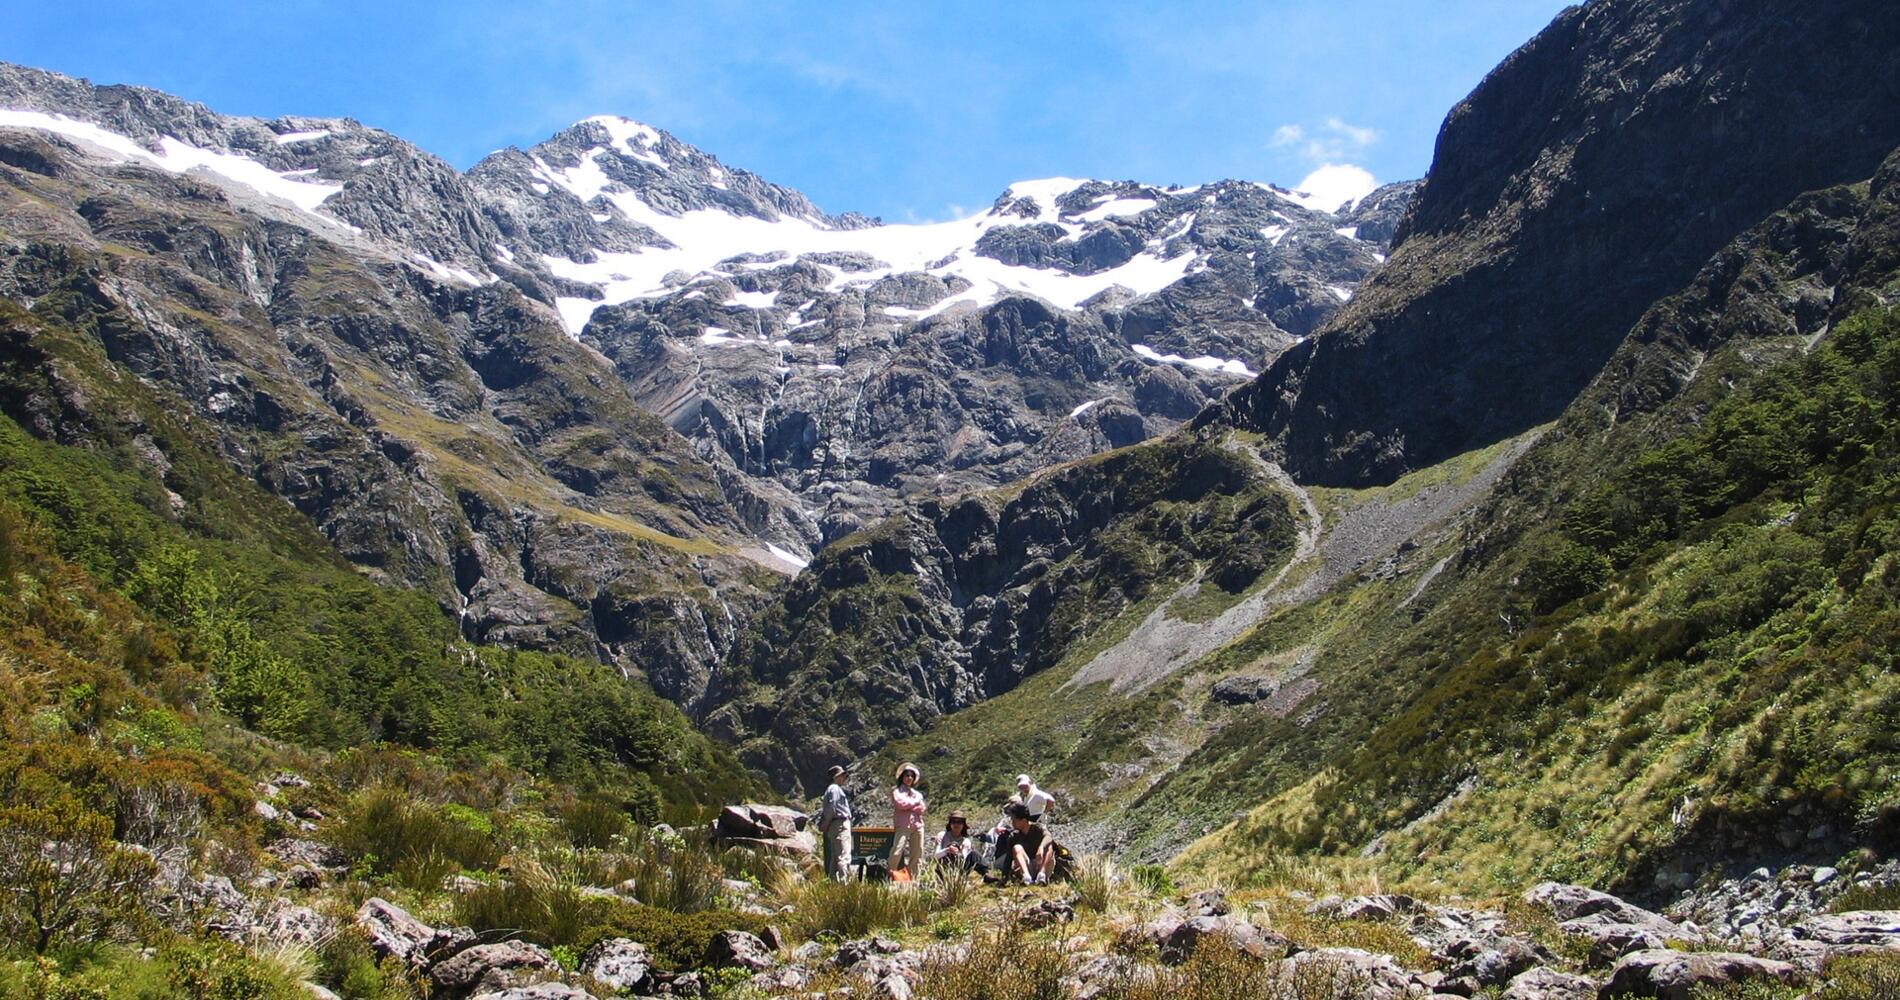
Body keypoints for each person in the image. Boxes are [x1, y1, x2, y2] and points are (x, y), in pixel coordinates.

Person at [995, 802, 1054, 884]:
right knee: (1017, 847)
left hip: (1041, 864)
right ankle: (1026, 877)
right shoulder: (1014, 836)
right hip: (1027, 866)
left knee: (1049, 846)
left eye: (1014, 820)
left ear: (1023, 820)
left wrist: (1041, 848)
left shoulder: (1038, 828)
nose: (1012, 823)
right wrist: (1004, 878)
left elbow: (1049, 837)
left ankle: (1042, 875)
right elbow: (1008, 859)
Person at [888, 762, 926, 877]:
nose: (909, 778)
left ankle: (912, 877)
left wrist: (910, 805)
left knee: (917, 852)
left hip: (918, 825)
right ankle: (891, 873)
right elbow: (900, 804)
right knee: (897, 849)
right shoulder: (897, 792)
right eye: (907, 775)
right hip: (903, 825)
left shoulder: (916, 793)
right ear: (902, 777)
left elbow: (922, 808)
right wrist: (914, 803)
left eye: (911, 776)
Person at [817, 765, 853, 882]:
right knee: (844, 855)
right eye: (843, 775)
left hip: (835, 825)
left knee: (835, 857)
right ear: (836, 777)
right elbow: (831, 808)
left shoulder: (831, 789)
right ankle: (844, 884)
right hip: (840, 824)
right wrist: (826, 823)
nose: (844, 778)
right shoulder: (834, 789)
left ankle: (832, 882)